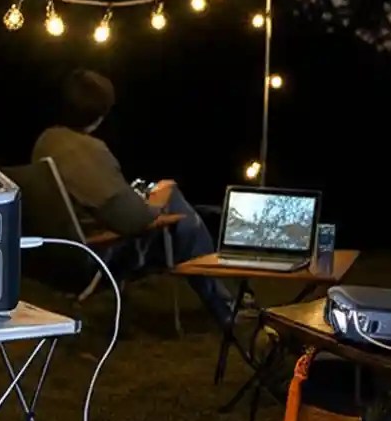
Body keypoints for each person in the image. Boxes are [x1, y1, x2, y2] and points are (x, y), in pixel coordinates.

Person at [32, 69, 248, 326]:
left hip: (61, 252)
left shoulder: (48, 140)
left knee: (189, 215)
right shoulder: (89, 150)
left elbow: (100, 200)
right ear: (101, 114)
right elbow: (132, 221)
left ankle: (229, 299)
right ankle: (227, 307)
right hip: (95, 256)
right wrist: (160, 199)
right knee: (183, 215)